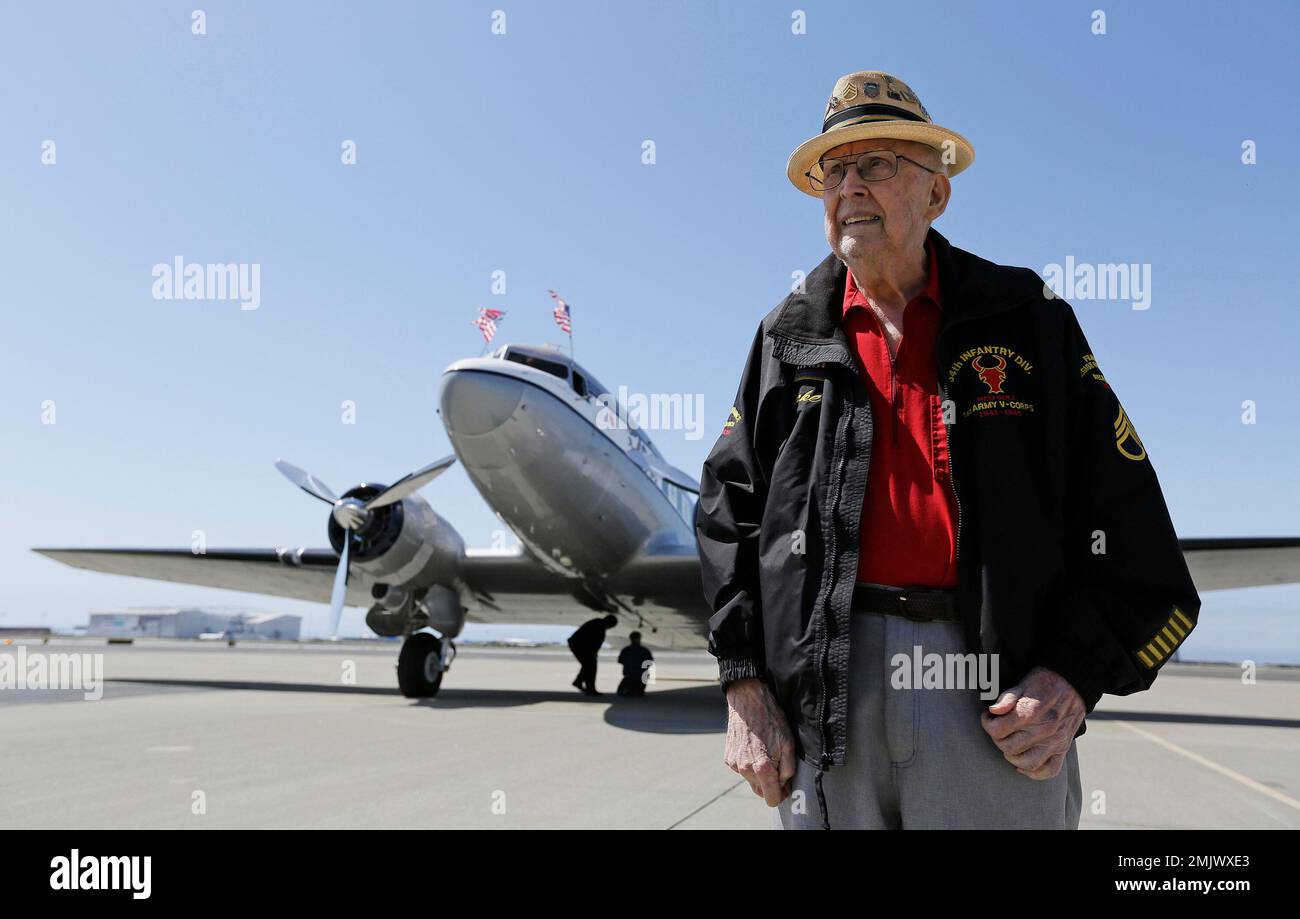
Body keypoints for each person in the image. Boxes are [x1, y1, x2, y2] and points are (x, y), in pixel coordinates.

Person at [694, 70, 1200, 829]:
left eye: (877, 164)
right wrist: (743, 681)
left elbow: (1126, 517)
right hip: (829, 700)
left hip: (993, 701)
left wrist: (1072, 673)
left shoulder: (1028, 319)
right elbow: (727, 514)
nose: (850, 186)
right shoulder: (787, 336)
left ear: (936, 195)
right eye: (834, 170)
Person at [567, 614, 617, 695]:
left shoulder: (597, 622)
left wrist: (593, 653)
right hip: (579, 645)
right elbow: (596, 642)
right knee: (591, 666)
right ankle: (590, 688)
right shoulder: (600, 626)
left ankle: (579, 682)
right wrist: (594, 653)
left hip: (578, 645)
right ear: (609, 623)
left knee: (588, 665)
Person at [616, 631, 654, 696]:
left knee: (621, 692)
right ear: (639, 638)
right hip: (641, 676)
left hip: (629, 676)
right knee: (638, 692)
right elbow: (650, 662)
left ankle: (631, 690)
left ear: (630, 639)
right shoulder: (644, 650)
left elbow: (620, 661)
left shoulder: (626, 650)